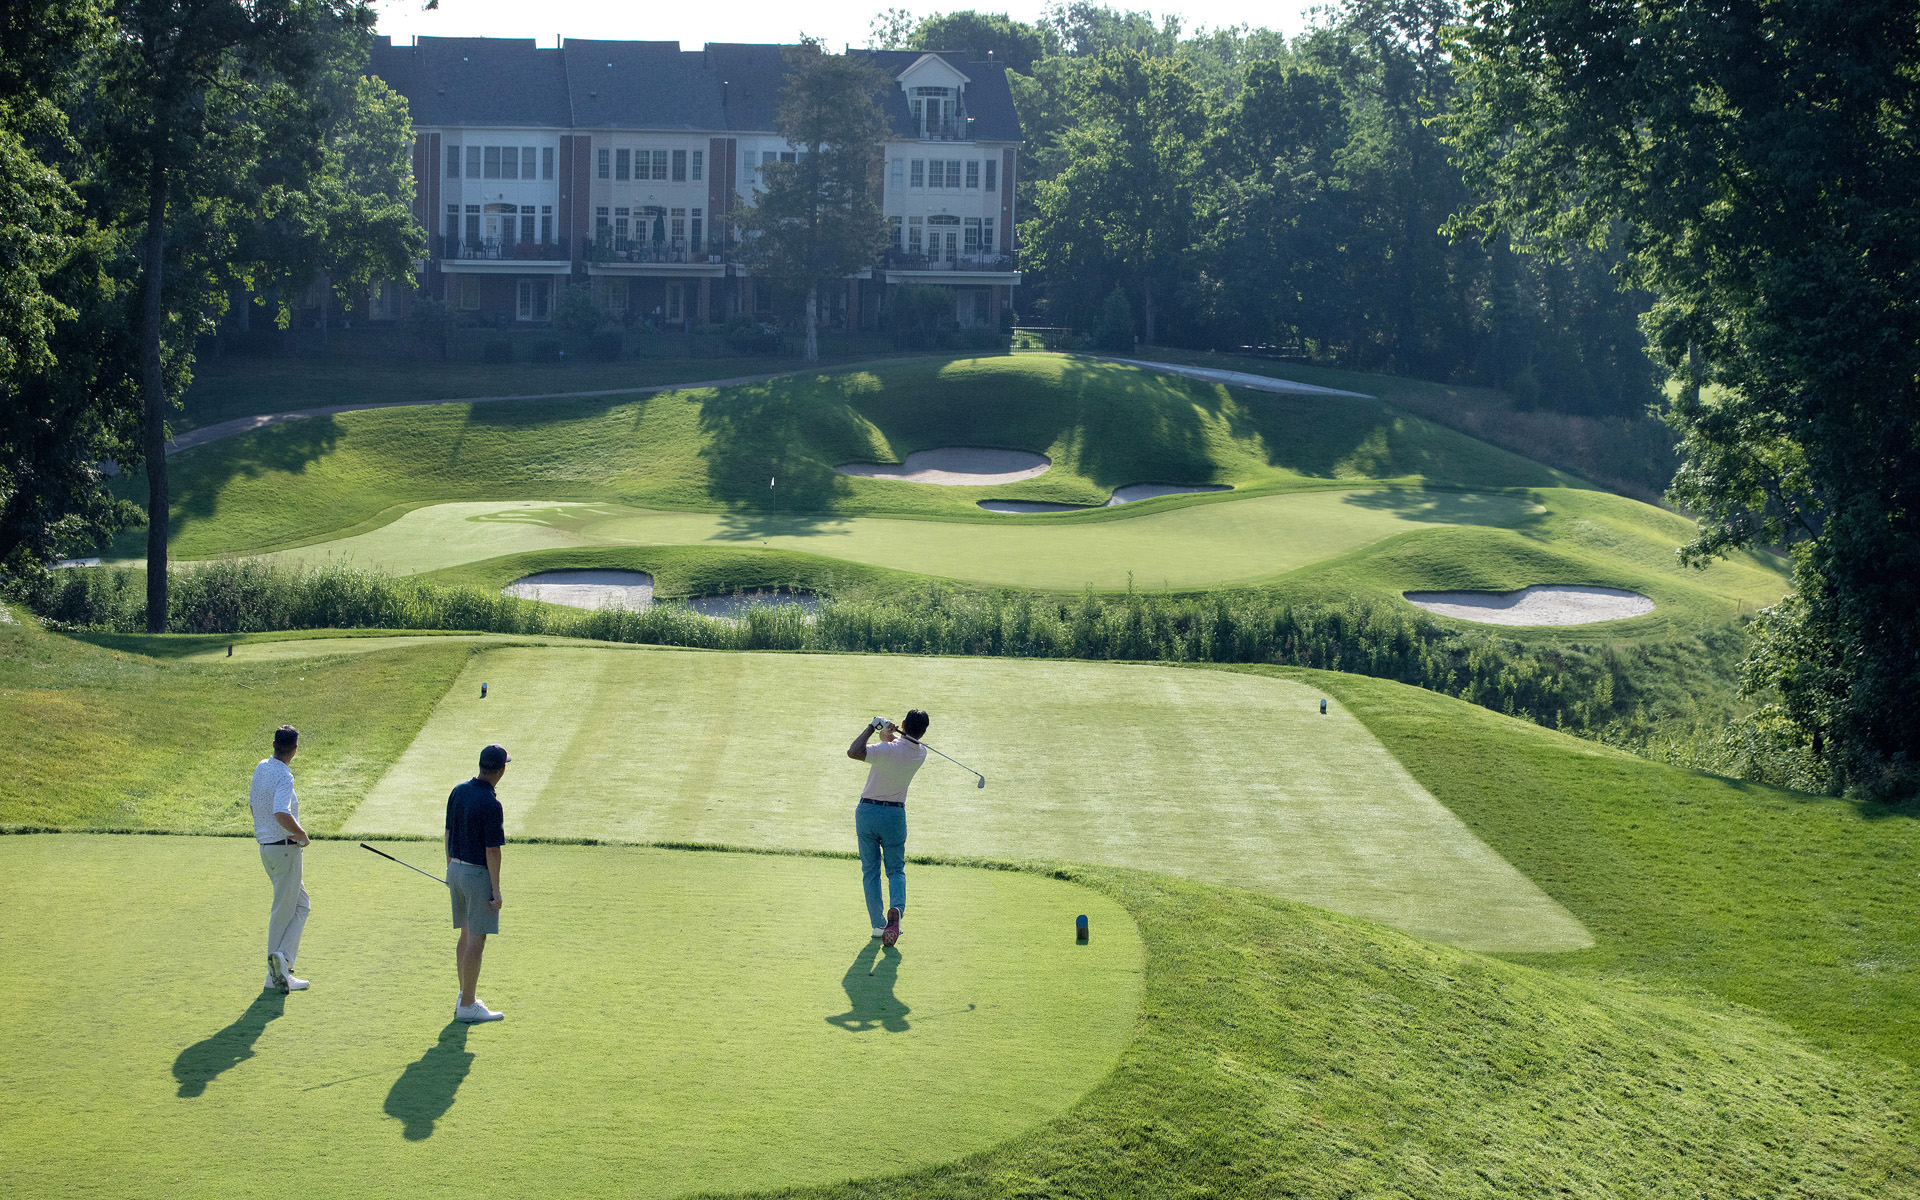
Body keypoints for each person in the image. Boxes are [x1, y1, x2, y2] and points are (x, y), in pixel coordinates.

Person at [846, 710, 930, 947]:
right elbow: (897, 744)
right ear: (923, 732)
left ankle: (878, 924)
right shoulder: (920, 753)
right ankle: (897, 911)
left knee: (870, 871)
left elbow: (854, 751)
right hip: (894, 816)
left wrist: (872, 727)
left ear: (903, 724)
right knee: (895, 871)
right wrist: (886, 733)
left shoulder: (886, 750)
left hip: (867, 813)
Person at [445, 744, 510, 1024]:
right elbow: (492, 851)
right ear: (501, 770)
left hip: (455, 869)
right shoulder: (492, 804)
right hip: (475, 875)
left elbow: (448, 833)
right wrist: (496, 890)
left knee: (466, 933)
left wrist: (450, 868)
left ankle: (464, 996)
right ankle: (468, 1005)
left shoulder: (459, 790)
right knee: (476, 938)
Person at [250, 725, 311, 993]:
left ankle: (283, 963)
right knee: (283, 912)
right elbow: (280, 812)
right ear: (295, 750)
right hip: (285, 850)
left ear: (274, 744)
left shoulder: (262, 767)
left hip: (268, 849)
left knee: (302, 906)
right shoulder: (285, 776)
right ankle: (273, 975)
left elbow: (254, 805)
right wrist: (301, 834)